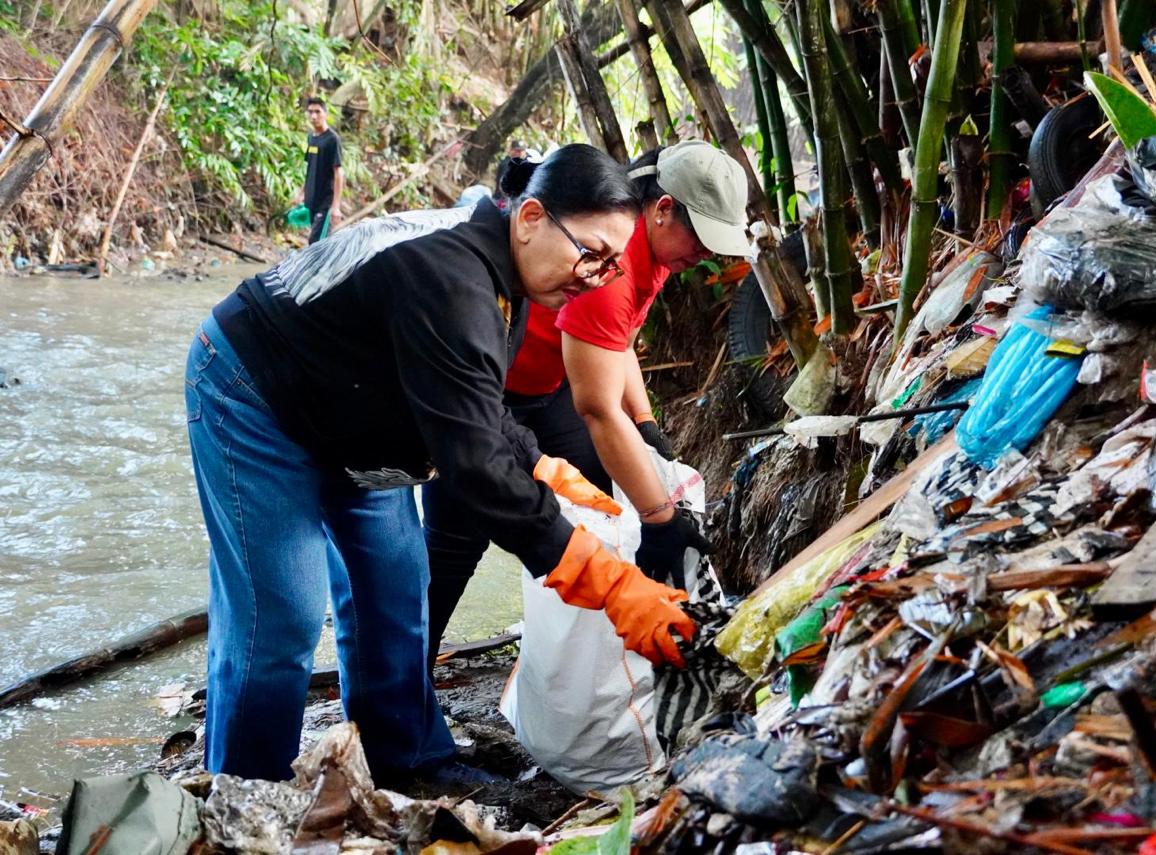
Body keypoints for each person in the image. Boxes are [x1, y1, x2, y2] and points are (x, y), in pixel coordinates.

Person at [185, 144, 695, 784]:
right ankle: (246, 790)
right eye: (590, 253)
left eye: (610, 266)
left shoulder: (510, 281)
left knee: (398, 587)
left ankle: (406, 758)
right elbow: (475, 468)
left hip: (362, 415)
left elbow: (480, 407)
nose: (594, 277)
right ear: (532, 216)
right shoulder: (451, 278)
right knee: (282, 613)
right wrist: (613, 586)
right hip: (256, 395)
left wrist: (543, 467)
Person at [424, 140, 751, 667]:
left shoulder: (654, 253)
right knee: (455, 546)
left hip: (546, 389)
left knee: (603, 510)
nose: (707, 255)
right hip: (489, 392)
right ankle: (407, 686)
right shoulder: (610, 263)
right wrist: (661, 517)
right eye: (703, 237)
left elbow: (619, 343)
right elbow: (598, 407)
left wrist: (644, 423)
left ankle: (613, 652)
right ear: (663, 210)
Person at [292, 96, 344, 244]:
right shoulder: (312, 138)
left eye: (318, 112)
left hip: (326, 202)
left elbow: (338, 172)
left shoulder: (332, 139)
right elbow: (310, 169)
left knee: (316, 242)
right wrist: (301, 194)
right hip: (312, 200)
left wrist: (336, 207)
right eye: (310, 112)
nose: (313, 116)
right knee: (320, 243)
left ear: (325, 114)